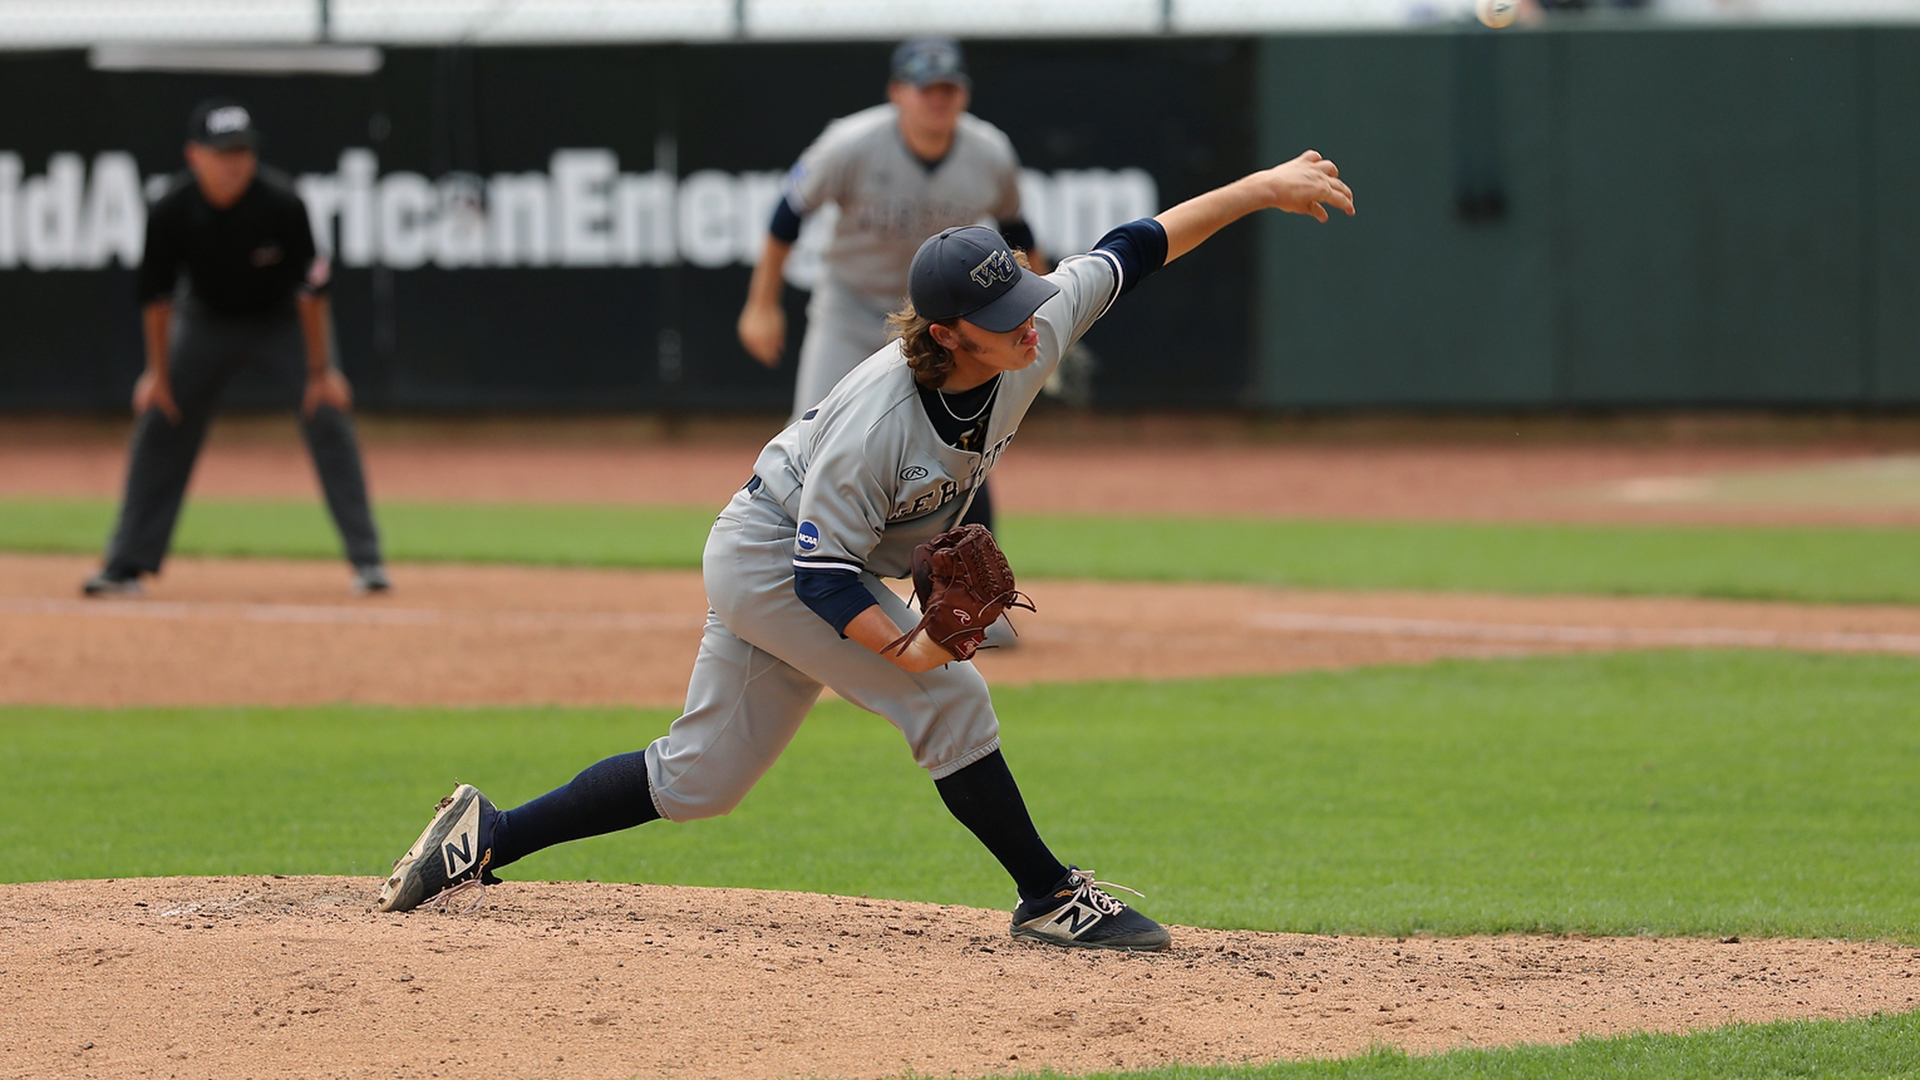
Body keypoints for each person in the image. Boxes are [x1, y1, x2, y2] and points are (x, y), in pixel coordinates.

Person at [377, 150, 1355, 952]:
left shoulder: (1032, 324)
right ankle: (1050, 896)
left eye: (1023, 298)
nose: (1029, 327)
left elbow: (1135, 248)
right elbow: (821, 574)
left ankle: (487, 834)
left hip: (801, 559)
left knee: (700, 779)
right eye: (1003, 319)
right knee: (950, 698)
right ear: (945, 332)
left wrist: (1264, 189)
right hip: (774, 558)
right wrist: (911, 651)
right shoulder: (878, 423)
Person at [737, 37, 1044, 547]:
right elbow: (787, 216)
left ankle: (973, 598)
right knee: (809, 441)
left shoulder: (989, 152)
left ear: (963, 94)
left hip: (944, 323)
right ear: (898, 92)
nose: (938, 98)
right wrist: (761, 304)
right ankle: (774, 570)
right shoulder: (850, 143)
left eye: (948, 87)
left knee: (964, 443)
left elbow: (1020, 235)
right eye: (926, 88)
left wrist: (1038, 315)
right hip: (852, 309)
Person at [82, 98, 388, 598]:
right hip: (206, 322)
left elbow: (312, 291)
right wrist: (157, 374)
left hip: (281, 323)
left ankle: (368, 561)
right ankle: (126, 564)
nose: (234, 163)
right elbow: (156, 299)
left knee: (328, 414)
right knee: (162, 420)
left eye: (243, 151)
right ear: (194, 155)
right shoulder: (172, 210)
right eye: (222, 152)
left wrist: (319, 370)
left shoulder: (281, 202)